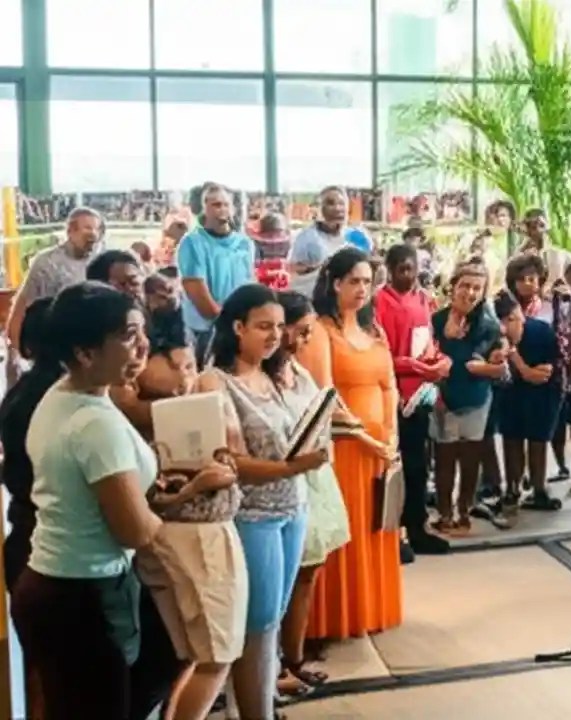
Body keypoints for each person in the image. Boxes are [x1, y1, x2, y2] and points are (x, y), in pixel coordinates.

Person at [11, 282, 220, 720]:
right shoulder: (93, 424)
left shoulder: (62, 396)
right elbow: (134, 530)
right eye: (128, 335)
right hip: (81, 596)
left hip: (56, 584)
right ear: (86, 353)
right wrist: (187, 502)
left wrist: (164, 491)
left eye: (142, 331)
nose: (144, 345)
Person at [198, 284, 326, 718]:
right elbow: (233, 461)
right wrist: (294, 467)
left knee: (274, 616)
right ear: (237, 327)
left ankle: (261, 701)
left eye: (278, 327)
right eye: (263, 327)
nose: (274, 335)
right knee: (258, 623)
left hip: (292, 505)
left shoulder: (271, 373)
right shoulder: (217, 381)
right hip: (253, 514)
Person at [131, 308, 248, 720]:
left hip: (207, 535)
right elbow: (144, 501)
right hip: (187, 541)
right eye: (175, 366)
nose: (185, 376)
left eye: (191, 365)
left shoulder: (190, 406)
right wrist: (199, 484)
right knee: (215, 653)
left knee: (195, 654)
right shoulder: (136, 416)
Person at [296, 248, 403, 639]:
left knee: (376, 527)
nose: (362, 289)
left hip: (379, 445)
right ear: (335, 283)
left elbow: (388, 384)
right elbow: (323, 394)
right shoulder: (320, 330)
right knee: (345, 532)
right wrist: (363, 437)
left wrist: (389, 433)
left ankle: (372, 609)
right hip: (344, 446)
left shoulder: (375, 331)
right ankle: (334, 618)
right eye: (354, 281)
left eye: (367, 282)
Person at [275, 290, 351, 691]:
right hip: (283, 483)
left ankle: (294, 656)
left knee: (307, 573)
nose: (305, 341)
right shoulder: (250, 375)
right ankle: (275, 665)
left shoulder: (297, 371)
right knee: (279, 580)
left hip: (314, 477)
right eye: (300, 332)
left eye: (309, 333)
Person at [0, 297, 58, 720]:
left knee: (42, 670)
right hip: (46, 544)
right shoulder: (57, 402)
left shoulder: (24, 390)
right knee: (52, 676)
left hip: (26, 534)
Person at [373, 245, 452, 555]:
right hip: (391, 391)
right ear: (390, 270)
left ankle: (417, 526)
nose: (410, 275)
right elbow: (381, 352)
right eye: (403, 269)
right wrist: (413, 365)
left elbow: (427, 340)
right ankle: (393, 534)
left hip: (419, 392)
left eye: (414, 268)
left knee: (419, 465)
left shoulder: (422, 298)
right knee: (395, 466)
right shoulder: (379, 301)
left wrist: (438, 360)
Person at [428, 263, 506, 535]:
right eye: (465, 286)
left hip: (476, 396)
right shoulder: (436, 320)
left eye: (476, 288)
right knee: (445, 456)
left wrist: (489, 367)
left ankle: (464, 511)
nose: (470, 293)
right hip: (444, 397)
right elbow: (428, 356)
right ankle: (445, 513)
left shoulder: (489, 324)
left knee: (471, 455)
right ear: (453, 287)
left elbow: (499, 364)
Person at [492, 287, 563, 513]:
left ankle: (539, 488)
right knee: (511, 437)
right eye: (502, 322)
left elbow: (552, 365)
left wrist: (543, 370)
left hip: (545, 391)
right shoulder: (495, 337)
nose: (507, 326)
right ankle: (512, 487)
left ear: (520, 315)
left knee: (538, 438)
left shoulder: (541, 331)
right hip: (509, 390)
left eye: (512, 319)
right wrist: (515, 359)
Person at [178, 184, 256, 364]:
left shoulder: (245, 244)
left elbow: (250, 283)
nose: (221, 209)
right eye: (215, 204)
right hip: (206, 331)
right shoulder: (192, 243)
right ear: (203, 209)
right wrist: (236, 323)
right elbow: (202, 301)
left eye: (225, 204)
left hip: (240, 328)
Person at [6, 207, 103, 351]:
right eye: (88, 228)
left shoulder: (103, 260)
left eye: (97, 229)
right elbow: (22, 303)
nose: (93, 234)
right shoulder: (46, 262)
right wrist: (13, 349)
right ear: (70, 231)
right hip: (56, 339)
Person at [288, 186, 369, 297]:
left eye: (341, 203)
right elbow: (293, 269)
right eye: (330, 203)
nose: (337, 208)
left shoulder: (357, 236)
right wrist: (321, 268)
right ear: (320, 208)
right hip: (315, 300)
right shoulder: (307, 238)